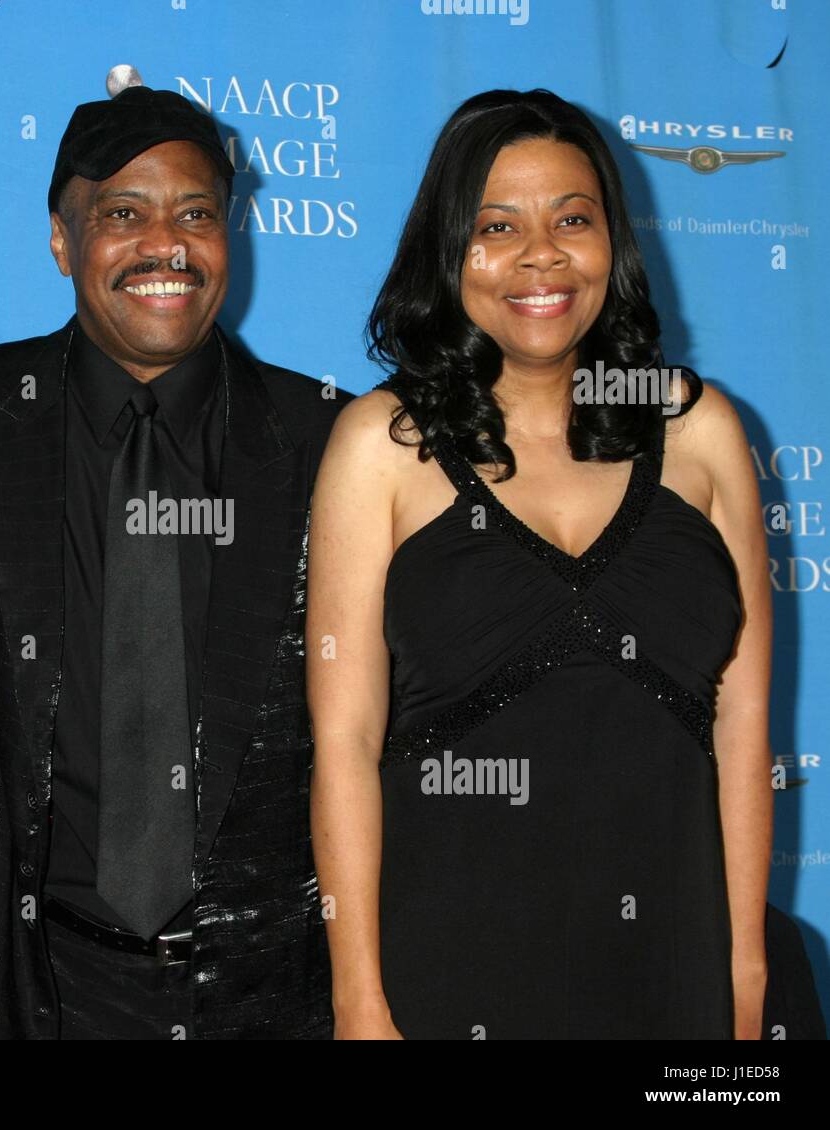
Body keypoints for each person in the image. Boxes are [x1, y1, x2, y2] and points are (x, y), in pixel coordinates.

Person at [307, 89, 772, 1039]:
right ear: (449, 250)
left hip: (672, 964)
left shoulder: (701, 430)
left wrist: (746, 968)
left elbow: (744, 724)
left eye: (572, 219)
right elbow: (345, 748)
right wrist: (361, 1001)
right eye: (495, 227)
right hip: (450, 963)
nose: (540, 256)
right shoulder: (380, 445)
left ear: (613, 244)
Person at [0, 70, 346, 1039]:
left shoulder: (334, 440)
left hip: (273, 986)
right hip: (30, 979)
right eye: (123, 213)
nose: (165, 244)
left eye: (196, 213)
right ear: (61, 238)